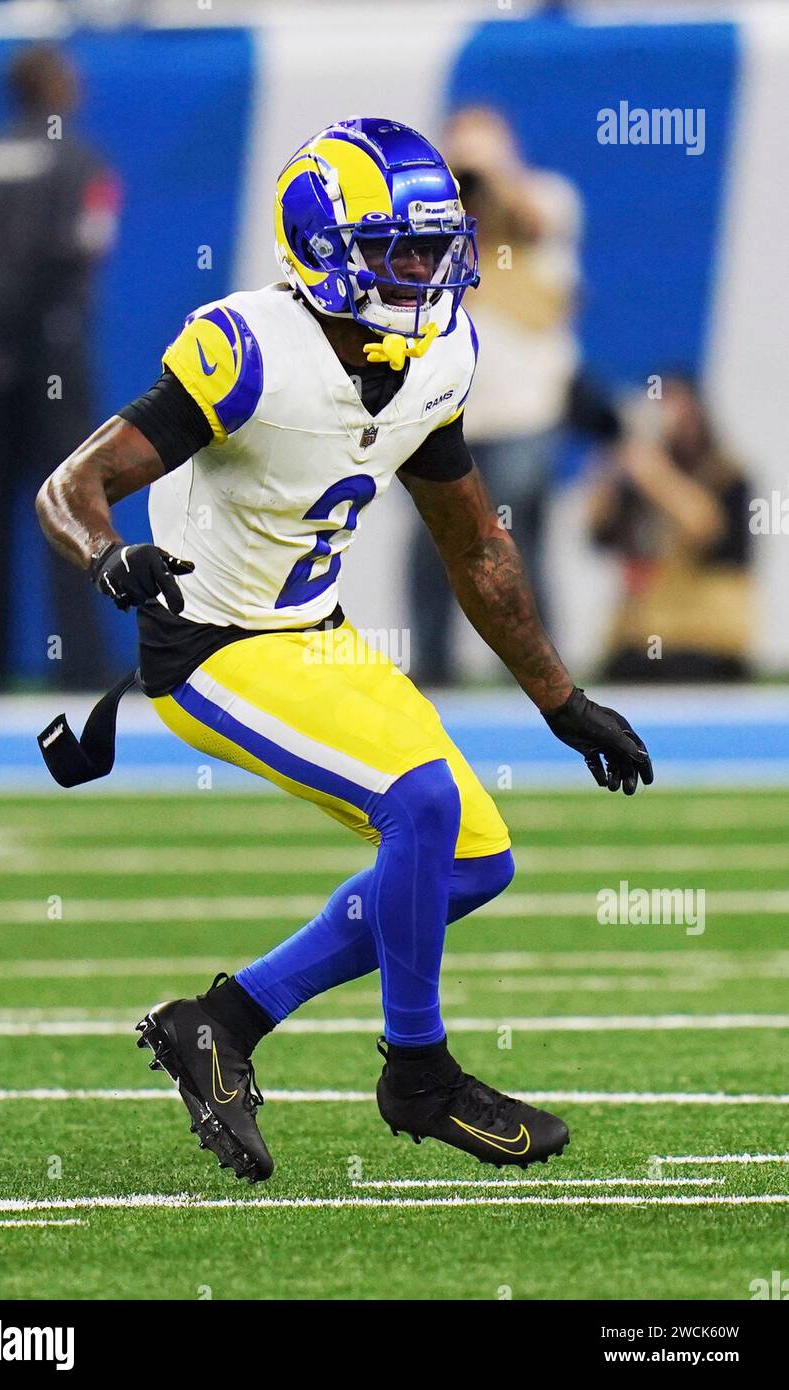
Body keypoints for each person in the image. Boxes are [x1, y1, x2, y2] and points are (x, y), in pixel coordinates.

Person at [36, 117, 651, 1184]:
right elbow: (69, 487)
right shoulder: (248, 351)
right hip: (209, 646)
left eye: (430, 247)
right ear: (324, 248)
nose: (421, 268)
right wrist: (106, 560)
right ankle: (417, 1073)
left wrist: (561, 700)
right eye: (394, 249)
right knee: (417, 804)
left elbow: (477, 547)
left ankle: (218, 1021)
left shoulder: (437, 353)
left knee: (473, 860)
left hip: (310, 637)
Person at [0, 43, 120, 690]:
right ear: (58, 89)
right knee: (72, 505)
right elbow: (72, 253)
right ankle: (81, 666)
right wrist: (23, 332)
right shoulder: (79, 163)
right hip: (53, 356)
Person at [407, 107, 582, 681]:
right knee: (431, 552)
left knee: (514, 549)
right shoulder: (434, 221)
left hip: (524, 414)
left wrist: (493, 174)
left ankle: (545, 679)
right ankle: (433, 680)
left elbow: (534, 225)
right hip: (447, 414)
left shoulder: (548, 197)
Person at [588, 375, 754, 682]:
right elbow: (599, 536)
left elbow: (706, 529)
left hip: (707, 642)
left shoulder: (728, 477)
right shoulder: (637, 480)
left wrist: (654, 473)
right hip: (639, 640)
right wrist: (608, 468)